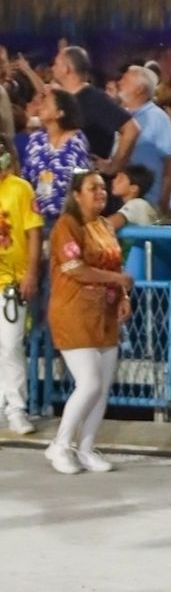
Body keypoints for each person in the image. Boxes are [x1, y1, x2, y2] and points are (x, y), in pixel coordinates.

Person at [45, 169, 132, 475]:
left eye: (102, 188)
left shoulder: (104, 225)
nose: (101, 192)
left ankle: (86, 447)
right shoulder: (67, 226)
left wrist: (123, 296)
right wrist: (117, 280)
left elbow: (116, 265)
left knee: (102, 387)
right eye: (92, 188)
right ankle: (60, 444)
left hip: (105, 314)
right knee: (89, 383)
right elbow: (76, 269)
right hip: (74, 312)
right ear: (76, 195)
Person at [0, 136, 41, 434]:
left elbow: (33, 233)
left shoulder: (21, 188)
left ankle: (16, 408)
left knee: (11, 345)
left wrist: (31, 273)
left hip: (12, 283)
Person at [22, 86, 91, 223]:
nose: (41, 107)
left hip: (68, 219)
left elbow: (82, 182)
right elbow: (26, 177)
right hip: (36, 217)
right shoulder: (35, 140)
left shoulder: (77, 141)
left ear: (60, 113)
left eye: (46, 104)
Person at [49, 45, 130, 162]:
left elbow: (131, 128)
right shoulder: (63, 98)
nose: (52, 68)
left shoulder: (95, 99)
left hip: (87, 171)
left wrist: (115, 164)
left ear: (67, 69)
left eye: (56, 64)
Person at [113, 65, 171, 204]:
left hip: (150, 202)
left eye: (125, 80)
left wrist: (164, 202)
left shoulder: (158, 118)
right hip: (123, 200)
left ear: (139, 89)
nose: (119, 83)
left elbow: (170, 163)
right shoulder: (122, 117)